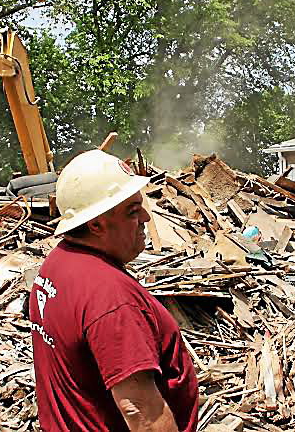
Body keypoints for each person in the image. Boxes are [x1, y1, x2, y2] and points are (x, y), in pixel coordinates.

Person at [30, 149, 198, 432]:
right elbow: (141, 412)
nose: (145, 216)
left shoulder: (58, 265)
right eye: (132, 211)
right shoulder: (110, 298)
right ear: (96, 224)